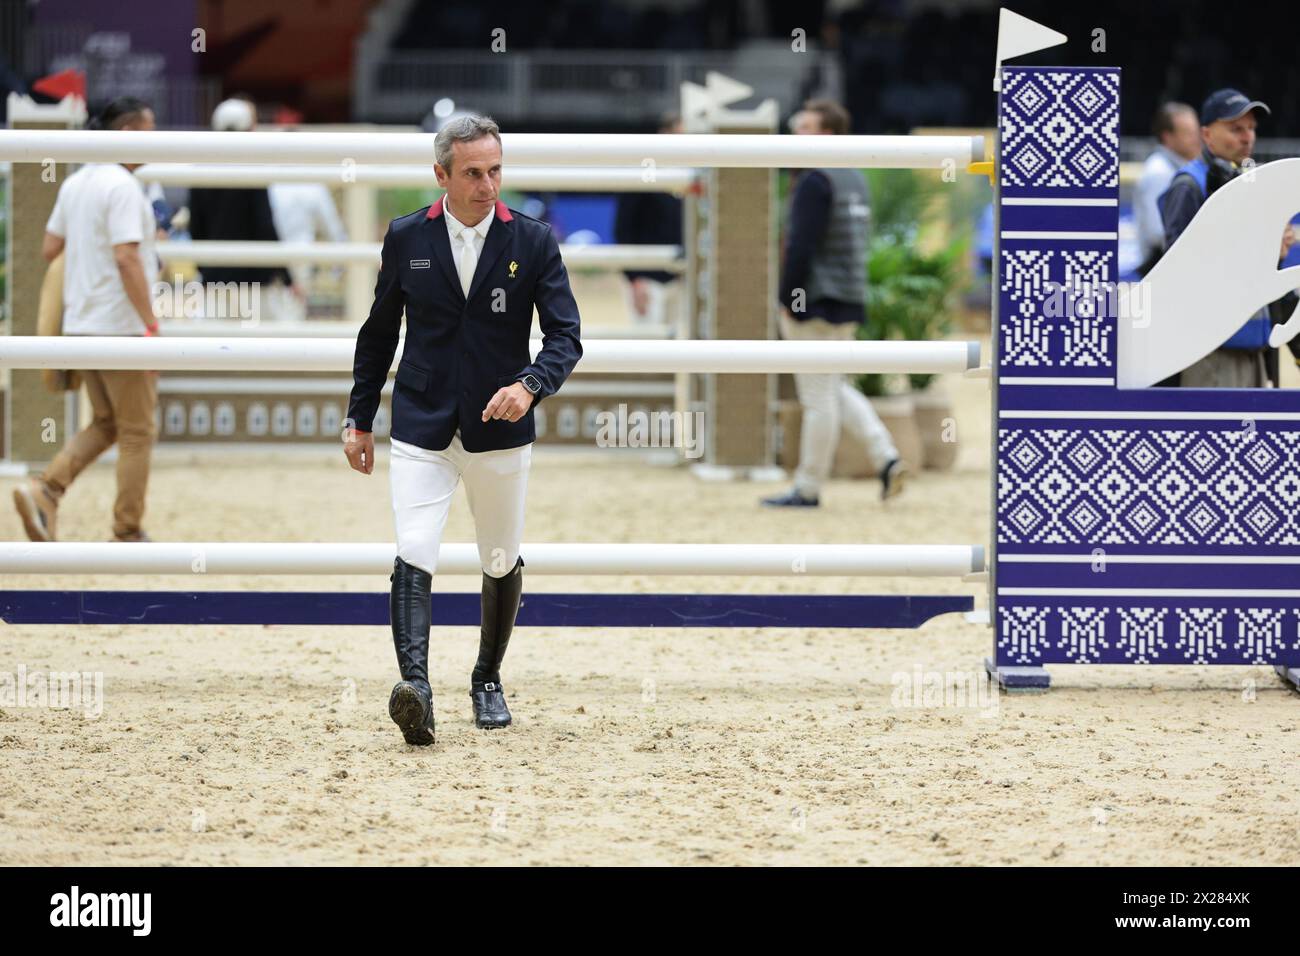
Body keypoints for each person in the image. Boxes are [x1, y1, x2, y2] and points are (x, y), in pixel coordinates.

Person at [344, 114, 582, 746]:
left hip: (502, 425)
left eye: (495, 170)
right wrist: (357, 417)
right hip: (421, 420)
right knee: (414, 549)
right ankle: (415, 688)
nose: (488, 185)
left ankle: (486, 678)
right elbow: (378, 333)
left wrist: (530, 385)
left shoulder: (532, 241)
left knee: (499, 555)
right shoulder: (405, 237)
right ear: (441, 174)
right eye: (473, 173)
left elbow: (566, 336)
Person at [12, 97, 161, 543]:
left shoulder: (77, 183)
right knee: (138, 430)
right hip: (120, 326)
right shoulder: (122, 185)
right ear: (130, 132)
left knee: (106, 424)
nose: (156, 139)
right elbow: (126, 258)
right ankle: (127, 528)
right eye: (150, 130)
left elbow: (49, 248)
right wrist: (152, 325)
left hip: (81, 324)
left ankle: (46, 489)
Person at [762, 98, 905, 508]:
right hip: (849, 298)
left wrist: (787, 297)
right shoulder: (855, 178)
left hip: (815, 301)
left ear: (826, 134)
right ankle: (886, 456)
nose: (796, 135)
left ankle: (808, 487)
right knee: (832, 385)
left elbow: (800, 248)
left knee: (818, 397)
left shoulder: (814, 180)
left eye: (805, 127)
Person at [1159, 88, 1298, 388]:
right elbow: (1178, 273)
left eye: (1251, 128)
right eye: (1236, 128)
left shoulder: (1251, 183)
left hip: (1255, 347)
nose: (1247, 136)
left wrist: (1276, 252)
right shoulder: (1189, 185)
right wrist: (1259, 249)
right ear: (1206, 135)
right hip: (1211, 352)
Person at [187, 97, 296, 318]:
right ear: (249, 129)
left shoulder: (200, 170)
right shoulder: (252, 170)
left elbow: (196, 227)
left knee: (216, 346)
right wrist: (286, 276)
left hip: (214, 276)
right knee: (259, 347)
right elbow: (265, 226)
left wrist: (205, 266)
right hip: (254, 279)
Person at [613, 113, 684, 329]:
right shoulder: (643, 171)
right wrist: (634, 278)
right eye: (681, 135)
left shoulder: (688, 174)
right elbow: (623, 228)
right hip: (647, 279)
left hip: (679, 277)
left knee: (675, 352)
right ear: (665, 134)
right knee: (646, 346)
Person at [1133, 102, 1199, 276]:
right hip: (1161, 271)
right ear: (1168, 137)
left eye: (1196, 131)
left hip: (1172, 268)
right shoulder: (1159, 172)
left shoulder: (1180, 168)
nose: (1196, 139)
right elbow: (1158, 233)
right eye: (1188, 133)